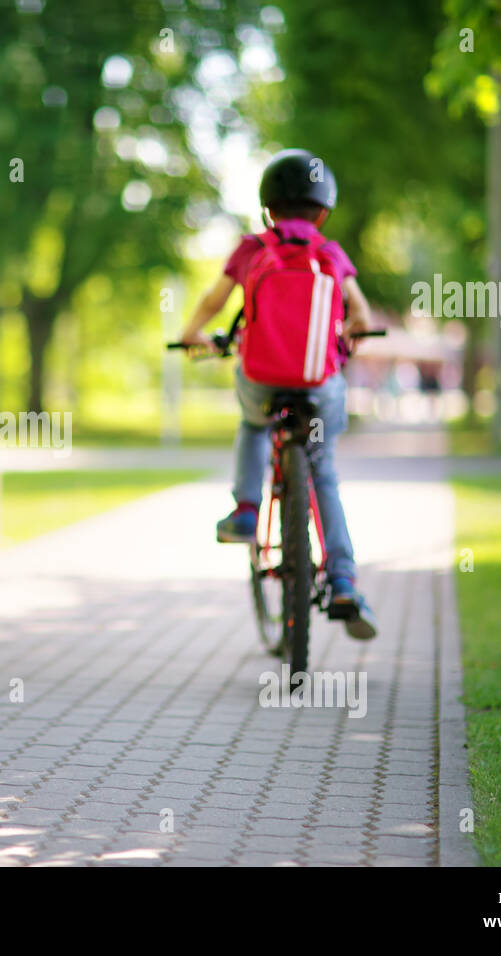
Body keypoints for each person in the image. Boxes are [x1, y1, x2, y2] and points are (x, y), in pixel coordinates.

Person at [177, 148, 378, 639]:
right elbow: (363, 317)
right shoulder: (329, 255)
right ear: (323, 211)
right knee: (323, 470)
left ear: (268, 209)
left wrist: (192, 334)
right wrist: (351, 330)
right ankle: (345, 579)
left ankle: (247, 510)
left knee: (253, 422)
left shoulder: (252, 250)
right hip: (319, 382)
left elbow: (214, 299)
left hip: (263, 377)